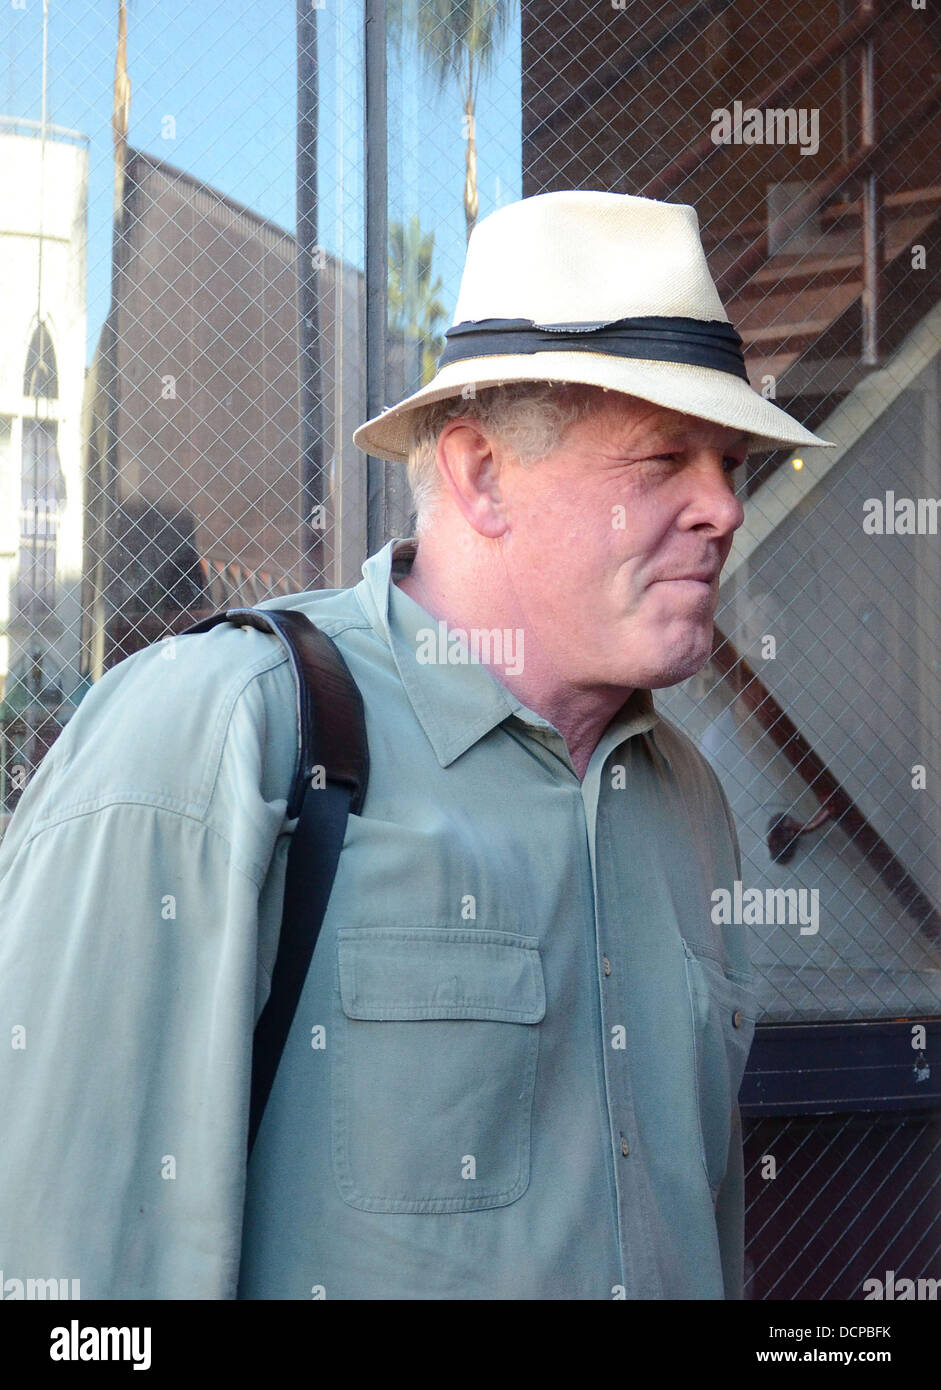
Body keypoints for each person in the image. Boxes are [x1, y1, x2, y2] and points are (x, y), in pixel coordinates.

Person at [0, 190, 830, 1300]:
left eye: (727, 463)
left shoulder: (685, 801)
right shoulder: (224, 732)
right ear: (479, 473)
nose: (722, 508)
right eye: (663, 459)